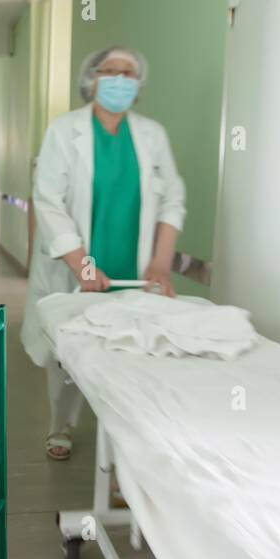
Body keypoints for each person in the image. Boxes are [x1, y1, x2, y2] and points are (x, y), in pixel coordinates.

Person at [23, 45, 186, 461]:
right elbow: (48, 201)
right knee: (70, 353)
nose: (118, 79)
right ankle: (61, 424)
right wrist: (81, 264)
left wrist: (161, 263)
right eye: (108, 70)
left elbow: (173, 200)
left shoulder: (152, 135)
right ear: (91, 79)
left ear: (139, 83)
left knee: (132, 349)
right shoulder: (65, 131)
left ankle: (124, 438)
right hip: (78, 264)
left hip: (133, 266)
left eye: (127, 72)